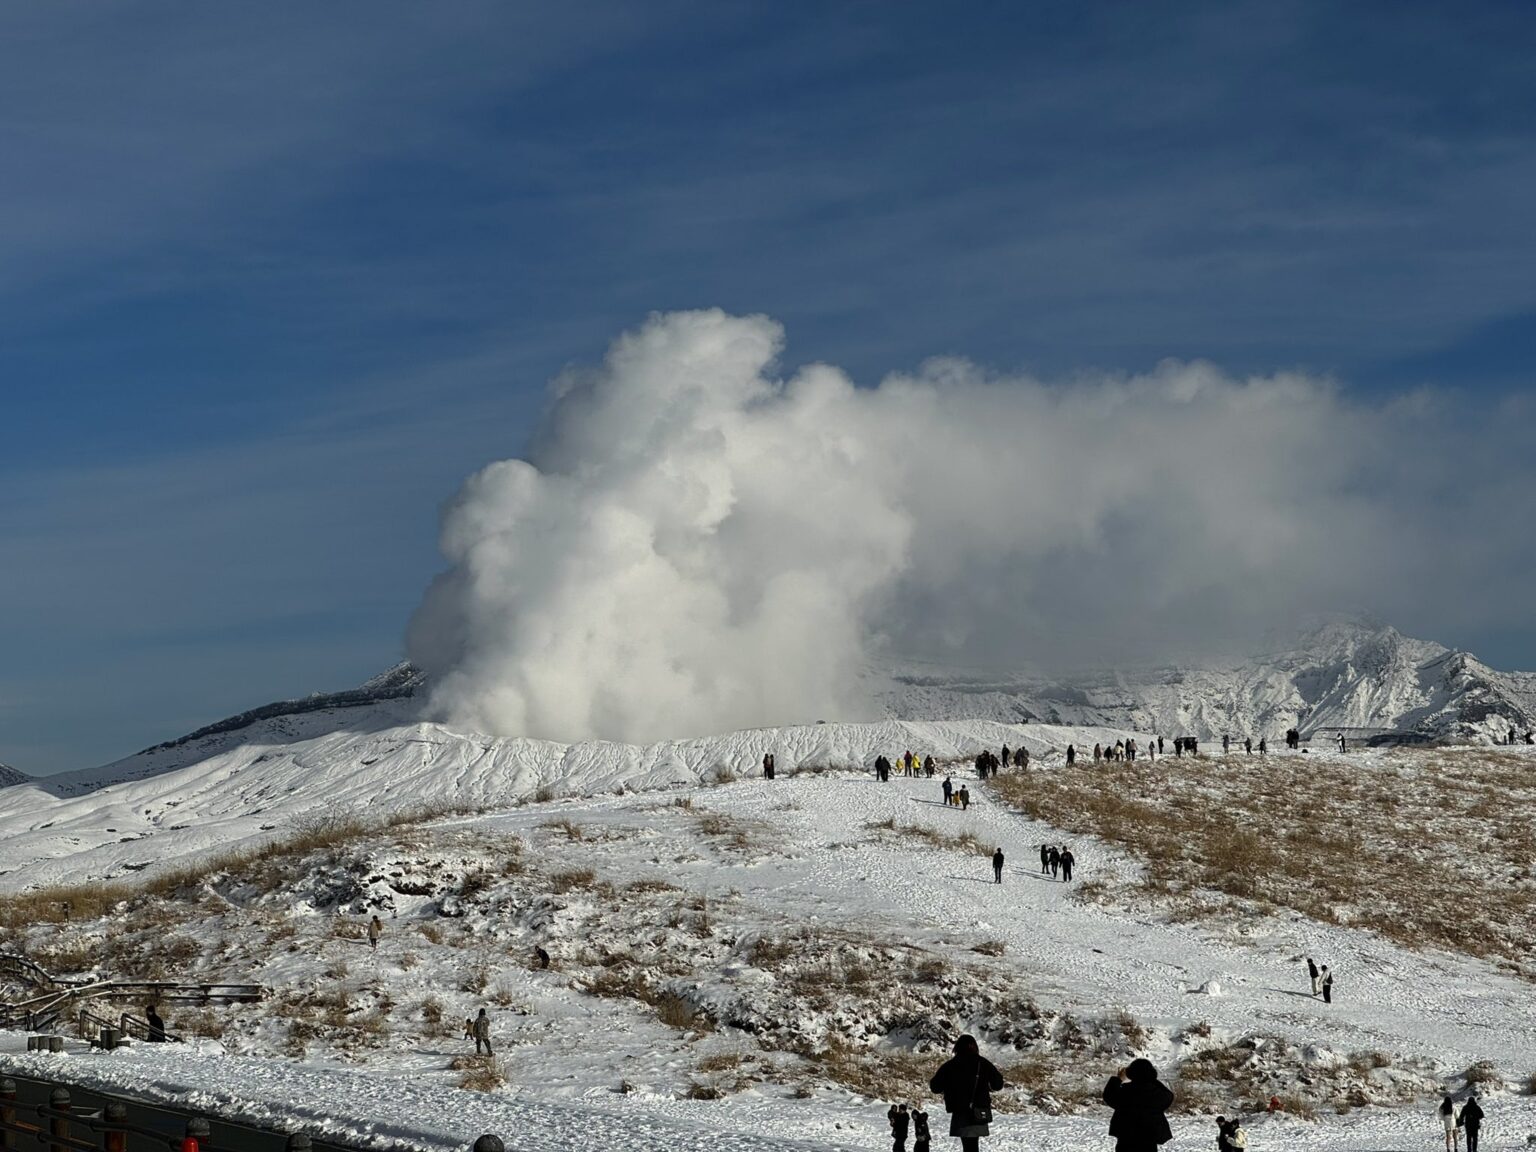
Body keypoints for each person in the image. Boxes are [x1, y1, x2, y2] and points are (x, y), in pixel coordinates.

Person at [929, 1034, 1003, 1152]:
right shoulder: (982, 1063)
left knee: (968, 1146)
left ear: (957, 1047)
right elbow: (998, 1084)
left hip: (960, 1112)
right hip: (979, 1111)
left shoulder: (950, 1065)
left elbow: (935, 1087)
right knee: (973, 1146)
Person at [1102, 1058, 1173, 1152]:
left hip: (1126, 1139)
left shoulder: (1125, 1092)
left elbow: (1109, 1095)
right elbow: (1169, 1095)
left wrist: (1118, 1078)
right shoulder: (1157, 1094)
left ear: (1131, 1073)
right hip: (1149, 1140)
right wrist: (1151, 1078)